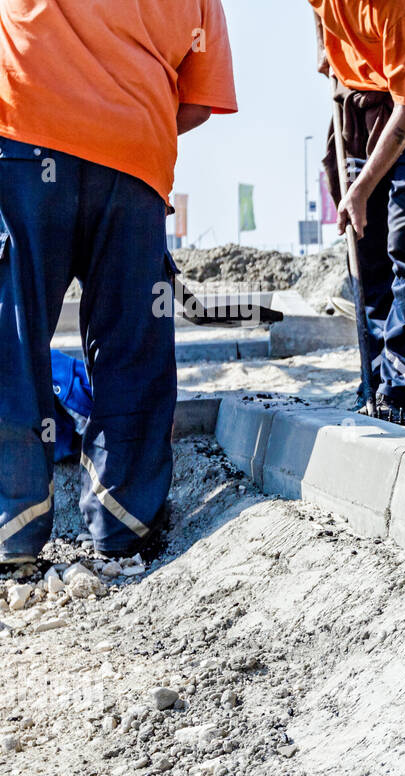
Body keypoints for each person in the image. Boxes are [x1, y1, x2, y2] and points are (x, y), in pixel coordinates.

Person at [0, 0, 237, 570]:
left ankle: (13, 528)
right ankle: (122, 527)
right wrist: (121, 116)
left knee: (12, 336)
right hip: (133, 161)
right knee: (132, 346)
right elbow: (198, 101)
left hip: (26, 141)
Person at [311, 0, 405, 419]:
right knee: (365, 246)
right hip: (359, 95)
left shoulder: (401, 7)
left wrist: (361, 189)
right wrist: (323, 48)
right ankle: (375, 379)